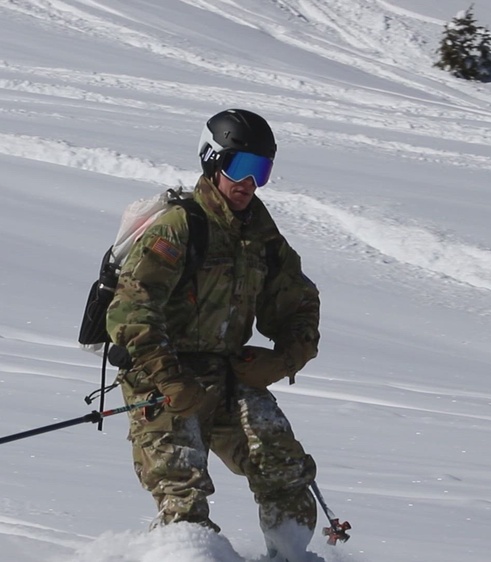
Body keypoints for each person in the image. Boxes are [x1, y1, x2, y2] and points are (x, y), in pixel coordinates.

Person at [106, 109, 321, 562]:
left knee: (282, 465)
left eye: (261, 171)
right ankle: (184, 552)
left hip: (225, 373)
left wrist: (282, 360)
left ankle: (290, 552)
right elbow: (131, 310)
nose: (249, 183)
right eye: (240, 167)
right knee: (182, 491)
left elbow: (299, 304)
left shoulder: (262, 237)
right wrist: (168, 378)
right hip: (161, 376)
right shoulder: (180, 226)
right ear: (212, 159)